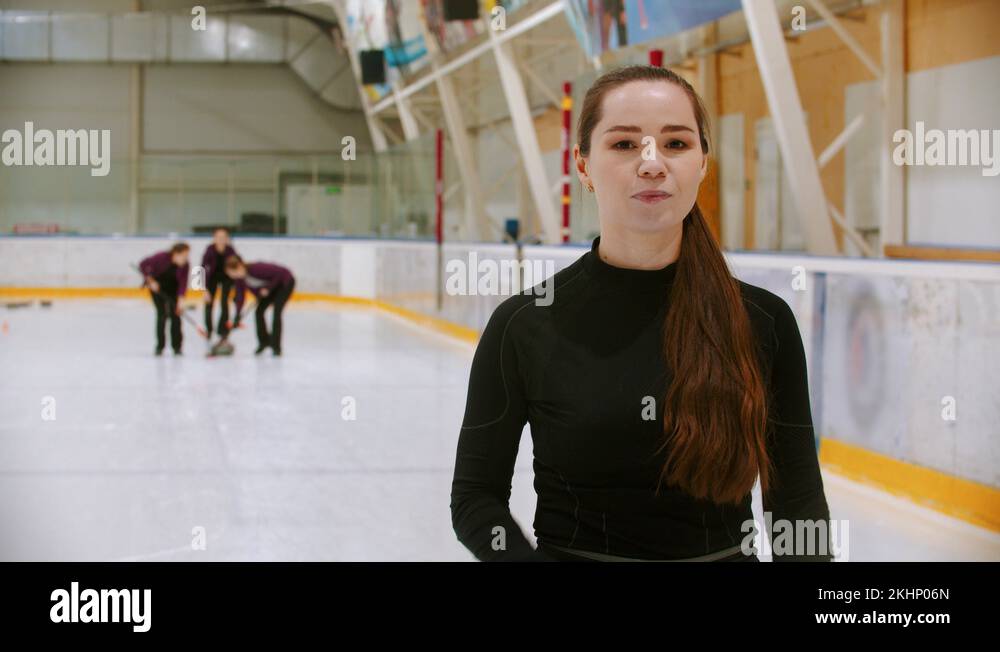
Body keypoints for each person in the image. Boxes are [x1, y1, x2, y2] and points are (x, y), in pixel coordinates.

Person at [450, 65, 833, 562]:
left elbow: (798, 505)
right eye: (625, 145)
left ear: (702, 164)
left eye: (675, 144)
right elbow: (475, 499)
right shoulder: (525, 324)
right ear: (583, 166)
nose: (652, 164)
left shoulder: (764, 320)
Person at [224, 256, 295, 356]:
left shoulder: (256, 269)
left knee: (277, 312)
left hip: (285, 283)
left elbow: (280, 274)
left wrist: (268, 288)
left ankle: (276, 347)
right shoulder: (239, 279)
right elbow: (240, 297)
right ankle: (264, 342)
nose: (232, 276)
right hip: (269, 290)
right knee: (259, 312)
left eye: (232, 273)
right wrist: (237, 315)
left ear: (239, 267)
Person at [139, 242, 190, 356]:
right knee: (162, 315)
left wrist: (181, 300)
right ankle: (159, 346)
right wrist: (150, 280)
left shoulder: (185, 265)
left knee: (175, 316)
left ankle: (177, 347)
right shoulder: (162, 257)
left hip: (173, 290)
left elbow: (183, 283)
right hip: (158, 289)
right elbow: (143, 264)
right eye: (184, 255)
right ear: (176, 253)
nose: (186, 258)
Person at [201, 227, 238, 339]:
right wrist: (203, 289)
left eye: (223, 237)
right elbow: (201, 267)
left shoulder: (231, 250)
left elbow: (236, 267)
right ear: (214, 238)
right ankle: (209, 329)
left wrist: (237, 287)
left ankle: (223, 329)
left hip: (227, 278)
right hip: (212, 278)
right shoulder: (209, 250)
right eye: (218, 237)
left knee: (224, 302)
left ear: (227, 239)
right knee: (209, 303)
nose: (221, 239)